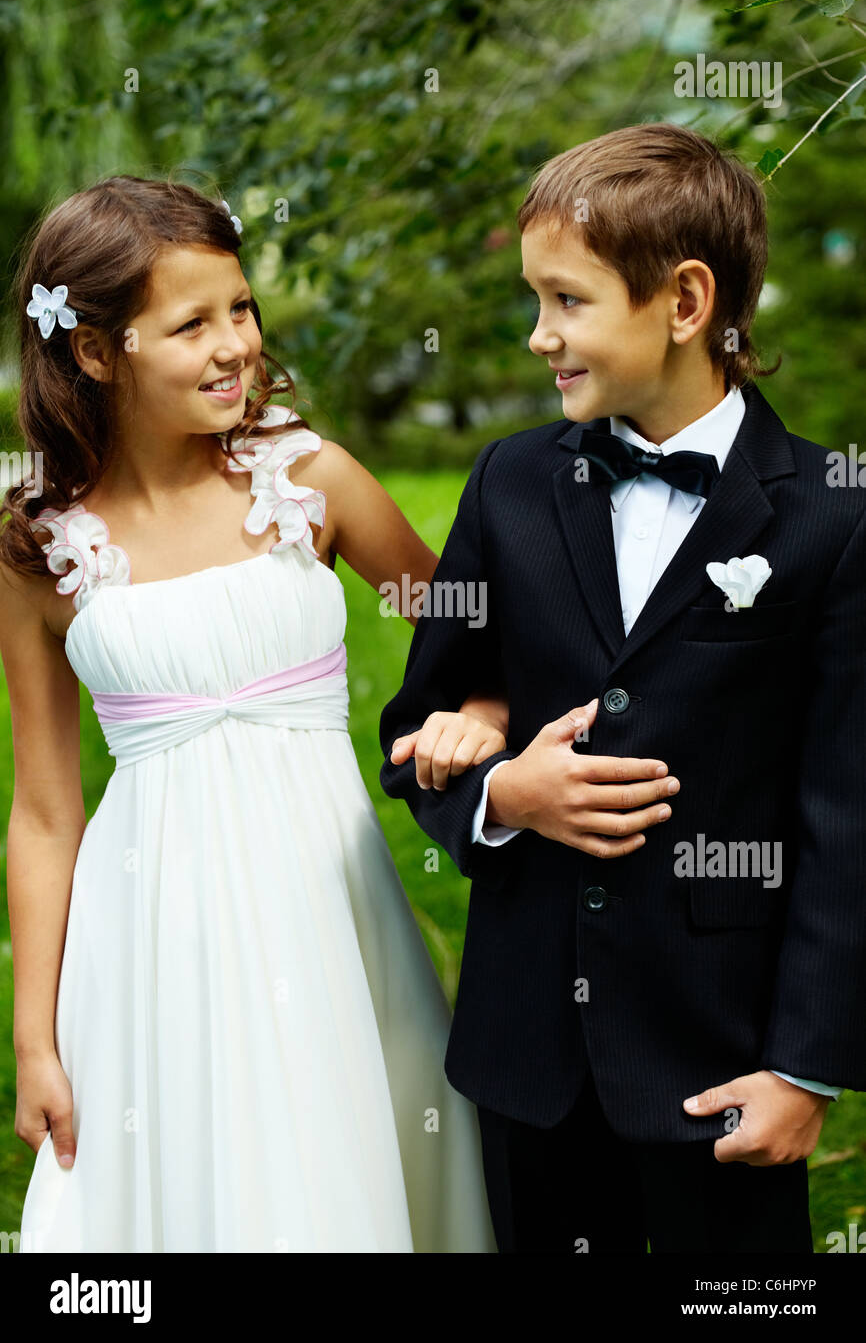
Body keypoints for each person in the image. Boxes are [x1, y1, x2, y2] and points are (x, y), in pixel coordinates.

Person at [379, 122, 866, 1254]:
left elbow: (846, 821)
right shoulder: (507, 482)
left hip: (720, 1063)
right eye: (531, 299)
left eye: (565, 300)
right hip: (525, 1054)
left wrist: (804, 1066)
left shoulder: (832, 520)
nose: (539, 335)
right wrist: (502, 795)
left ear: (684, 300)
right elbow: (416, 726)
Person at [0, 175, 505, 1252]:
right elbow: (45, 813)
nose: (235, 343)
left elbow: (464, 633)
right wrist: (34, 1040)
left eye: (241, 307)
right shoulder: (39, 546)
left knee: (344, 1156)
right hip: (150, 931)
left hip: (327, 906)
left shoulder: (306, 480)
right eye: (191, 323)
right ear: (97, 351)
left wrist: (484, 709)